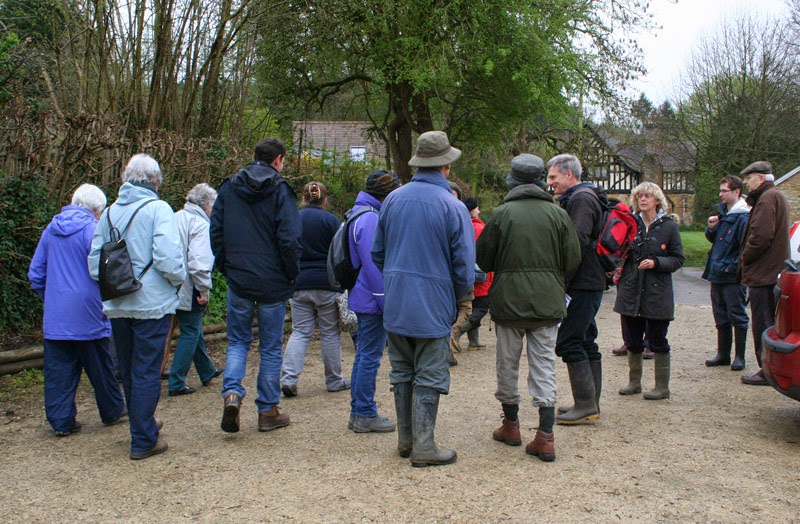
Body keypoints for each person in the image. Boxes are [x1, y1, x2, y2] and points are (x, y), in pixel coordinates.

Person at [372, 131, 474, 467]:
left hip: (397, 300)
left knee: (401, 370)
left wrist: (397, 278)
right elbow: (463, 264)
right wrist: (462, 298)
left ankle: (405, 441)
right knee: (430, 372)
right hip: (433, 301)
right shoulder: (453, 206)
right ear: (445, 166)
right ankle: (425, 446)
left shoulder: (393, 200)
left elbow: (378, 253)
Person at [477, 154, 580, 462]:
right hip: (547, 302)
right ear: (539, 180)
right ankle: (545, 437)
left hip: (509, 302)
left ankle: (511, 425)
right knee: (544, 365)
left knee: (507, 364)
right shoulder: (558, 214)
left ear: (513, 180)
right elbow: (572, 259)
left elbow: (484, 260)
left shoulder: (501, 214)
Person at [89, 154, 186, 459]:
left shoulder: (108, 213)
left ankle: (141, 424)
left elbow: (95, 265)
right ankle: (143, 438)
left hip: (118, 303)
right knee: (146, 371)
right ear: (156, 182)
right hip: (152, 304)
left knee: (130, 371)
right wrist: (178, 281)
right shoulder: (159, 209)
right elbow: (169, 260)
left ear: (125, 179)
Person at [210, 137, 302, 433]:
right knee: (271, 347)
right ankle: (267, 409)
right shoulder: (280, 189)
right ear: (278, 160)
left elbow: (217, 231)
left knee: (237, 341)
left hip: (239, 277)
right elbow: (289, 237)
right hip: (272, 280)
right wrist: (291, 273)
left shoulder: (228, 187)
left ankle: (232, 394)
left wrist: (226, 266)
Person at [28, 184, 126, 437]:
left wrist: (51, 300)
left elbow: (36, 274)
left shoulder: (50, 230)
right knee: (101, 366)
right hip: (89, 311)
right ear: (96, 209)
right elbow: (104, 271)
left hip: (57, 316)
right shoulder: (92, 230)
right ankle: (113, 410)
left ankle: (61, 422)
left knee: (58, 372)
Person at [545, 153, 608, 425]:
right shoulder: (586, 196)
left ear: (569, 175)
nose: (550, 183)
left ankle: (585, 403)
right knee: (585, 339)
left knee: (570, 340)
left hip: (582, 281)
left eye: (553, 177)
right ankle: (589, 401)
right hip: (590, 280)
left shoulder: (581, 199)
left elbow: (576, 242)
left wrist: (562, 281)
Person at [280, 181, 350, 397]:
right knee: (330, 333)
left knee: (300, 331)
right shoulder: (332, 221)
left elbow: (285, 248)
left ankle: (289, 378)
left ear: (303, 198)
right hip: (327, 284)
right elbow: (341, 253)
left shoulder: (292, 219)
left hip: (299, 283)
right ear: (325, 199)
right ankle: (334, 380)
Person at [615, 182, 684, 400]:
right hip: (630, 288)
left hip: (657, 292)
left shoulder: (669, 226)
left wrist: (656, 263)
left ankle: (662, 387)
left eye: (647, 196)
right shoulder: (630, 224)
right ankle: (634, 382)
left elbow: (678, 258)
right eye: (639, 196)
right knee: (632, 339)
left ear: (657, 200)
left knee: (657, 339)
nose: (643, 199)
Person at [347, 170, 402, 433]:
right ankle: (364, 412)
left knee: (365, 355)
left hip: (363, 297)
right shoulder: (369, 219)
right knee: (369, 356)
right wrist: (385, 301)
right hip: (371, 300)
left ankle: (360, 409)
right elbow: (373, 266)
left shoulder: (362, 212)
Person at [737, 161, 790, 385]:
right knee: (769, 321)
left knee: (763, 322)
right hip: (770, 271)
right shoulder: (774, 196)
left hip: (764, 273)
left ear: (759, 178)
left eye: (748, 179)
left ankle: (766, 369)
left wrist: (744, 258)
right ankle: (769, 368)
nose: (746, 184)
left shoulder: (767, 199)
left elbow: (760, 237)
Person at [167, 183, 222, 396]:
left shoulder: (174, 217)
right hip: (190, 286)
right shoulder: (200, 224)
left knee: (193, 327)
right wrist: (204, 289)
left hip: (171, 284)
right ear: (206, 205)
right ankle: (176, 381)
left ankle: (206, 370)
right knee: (190, 331)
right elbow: (199, 263)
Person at [701, 175, 750, 370]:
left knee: (737, 314)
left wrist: (732, 266)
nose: (720, 194)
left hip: (732, 274)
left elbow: (744, 248)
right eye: (720, 190)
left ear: (736, 192)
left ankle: (740, 356)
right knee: (720, 314)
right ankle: (723, 354)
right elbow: (716, 240)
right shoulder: (725, 214)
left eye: (724, 191)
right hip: (717, 272)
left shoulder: (743, 217)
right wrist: (711, 229)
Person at [456, 197, 493, 351]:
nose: (479, 211)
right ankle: (457, 332)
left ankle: (474, 341)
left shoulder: (462, 225)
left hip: (467, 274)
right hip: (480, 274)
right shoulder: (478, 228)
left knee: (475, 305)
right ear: (472, 210)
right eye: (477, 208)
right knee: (482, 307)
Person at [447, 180, 473, 363]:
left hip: (458, 276)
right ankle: (453, 334)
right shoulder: (462, 218)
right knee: (464, 308)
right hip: (452, 275)